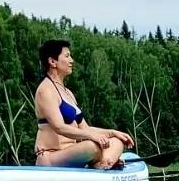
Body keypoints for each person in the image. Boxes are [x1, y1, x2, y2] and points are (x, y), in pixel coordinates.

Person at [34, 39, 134, 169]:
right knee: (91, 146)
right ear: (52, 61)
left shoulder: (68, 93)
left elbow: (85, 129)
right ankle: (105, 162)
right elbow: (59, 127)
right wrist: (92, 136)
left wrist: (112, 132)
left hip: (74, 154)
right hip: (52, 157)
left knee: (117, 141)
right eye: (67, 56)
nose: (72, 60)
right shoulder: (45, 90)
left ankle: (104, 164)